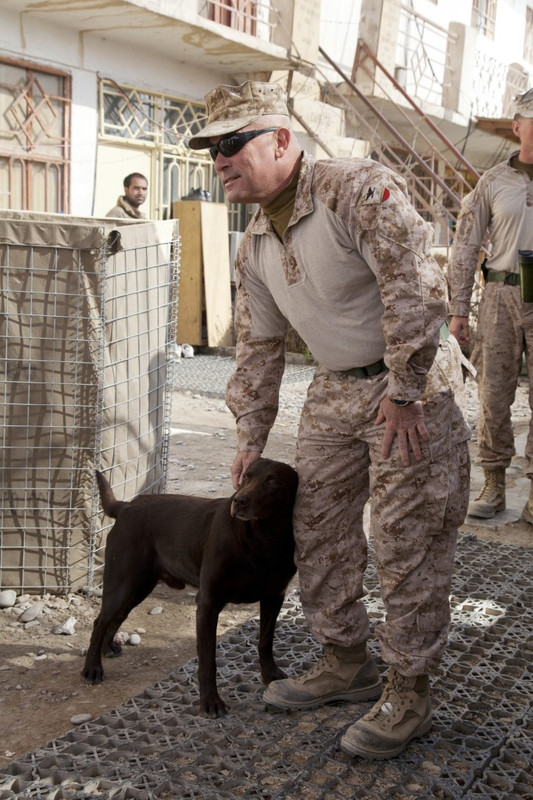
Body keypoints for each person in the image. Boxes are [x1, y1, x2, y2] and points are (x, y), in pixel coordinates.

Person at [188, 80, 470, 760]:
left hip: (409, 391)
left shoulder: (355, 190)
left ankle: (408, 690)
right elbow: (257, 345)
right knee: (315, 528)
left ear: (281, 140)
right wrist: (250, 436)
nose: (219, 160)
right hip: (335, 390)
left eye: (233, 143)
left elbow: (415, 288)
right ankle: (346, 660)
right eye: (210, 150)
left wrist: (405, 389)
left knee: (405, 541)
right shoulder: (255, 241)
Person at [448, 88, 533, 522]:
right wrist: (458, 311)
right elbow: (466, 247)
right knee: (494, 394)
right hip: (501, 295)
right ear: (518, 127)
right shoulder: (493, 181)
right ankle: (494, 482)